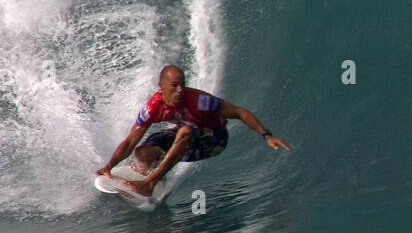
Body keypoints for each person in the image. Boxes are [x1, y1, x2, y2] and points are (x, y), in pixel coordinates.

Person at [96, 65, 294, 197]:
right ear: (161, 87)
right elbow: (131, 141)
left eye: (183, 84)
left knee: (184, 132)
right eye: (174, 86)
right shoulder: (154, 107)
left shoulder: (200, 101)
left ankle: (151, 182)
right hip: (187, 133)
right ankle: (157, 173)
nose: (180, 90)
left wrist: (267, 135)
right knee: (142, 153)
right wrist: (109, 166)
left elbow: (239, 112)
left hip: (213, 140)